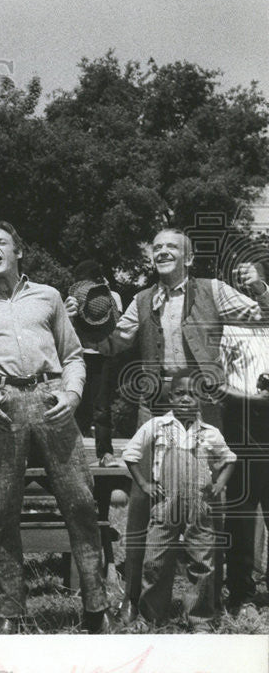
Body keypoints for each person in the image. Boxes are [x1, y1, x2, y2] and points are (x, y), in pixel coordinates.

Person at [72, 228, 269, 623]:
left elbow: (261, 313)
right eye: (156, 248)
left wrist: (261, 286)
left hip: (206, 407)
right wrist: (83, 322)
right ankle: (134, 599)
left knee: (207, 504)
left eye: (171, 248)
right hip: (153, 406)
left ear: (188, 258)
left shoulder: (213, 290)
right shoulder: (142, 300)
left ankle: (208, 605)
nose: (162, 252)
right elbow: (113, 343)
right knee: (144, 503)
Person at [0, 219, 108, 633]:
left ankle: (96, 607)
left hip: (51, 399)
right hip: (1, 407)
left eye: (0, 242)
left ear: (18, 251)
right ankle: (11, 611)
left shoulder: (49, 297)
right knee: (4, 512)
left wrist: (72, 395)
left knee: (80, 503)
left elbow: (73, 355)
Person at [121, 375, 236, 631]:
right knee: (155, 560)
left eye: (192, 394)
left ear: (202, 399)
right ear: (170, 397)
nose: (186, 398)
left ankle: (201, 619)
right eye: (180, 393)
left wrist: (219, 484)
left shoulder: (210, 432)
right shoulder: (156, 426)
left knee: (202, 562)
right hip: (165, 504)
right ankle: (151, 617)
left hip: (200, 507)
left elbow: (229, 459)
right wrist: (144, 484)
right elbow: (130, 454)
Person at [218, 254, 269, 615]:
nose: (242, 280)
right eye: (237, 277)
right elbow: (216, 384)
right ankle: (241, 594)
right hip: (243, 421)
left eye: (249, 272)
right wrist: (251, 396)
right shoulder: (227, 327)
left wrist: (261, 289)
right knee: (242, 511)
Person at [67, 259, 122, 467]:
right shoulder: (74, 299)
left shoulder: (110, 297)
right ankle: (73, 454)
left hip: (102, 355)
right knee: (77, 405)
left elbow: (115, 324)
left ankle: (105, 453)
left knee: (101, 408)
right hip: (79, 356)